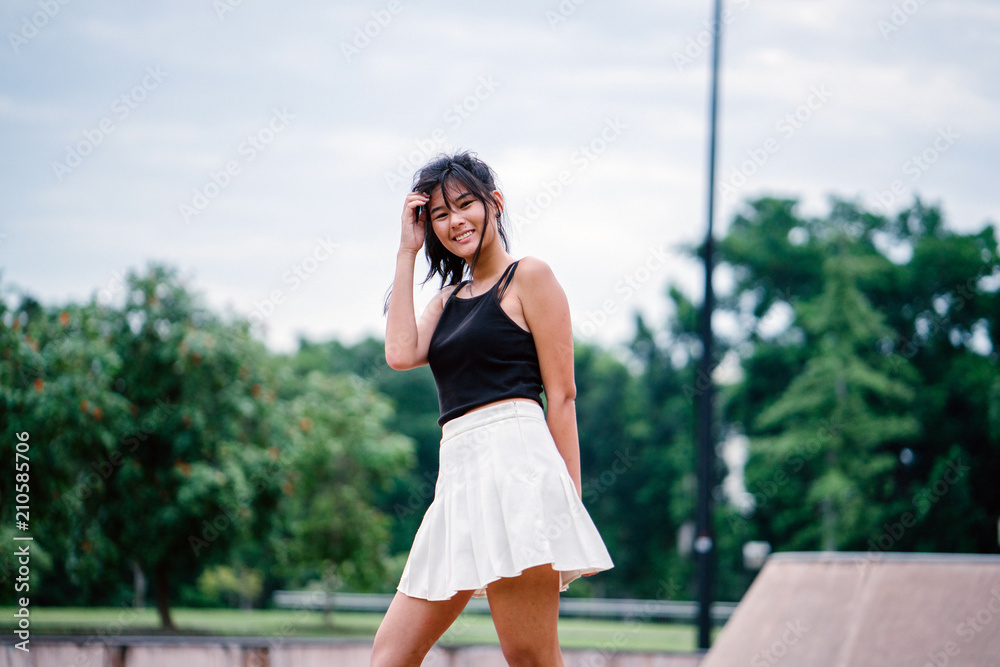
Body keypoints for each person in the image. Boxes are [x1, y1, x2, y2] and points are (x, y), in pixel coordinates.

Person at [372, 151, 613, 666]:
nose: (455, 221)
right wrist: (406, 250)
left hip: (519, 472)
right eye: (440, 214)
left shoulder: (529, 276)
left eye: (465, 205)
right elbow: (399, 353)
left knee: (529, 657)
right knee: (390, 655)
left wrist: (565, 504)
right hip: (457, 480)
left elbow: (562, 396)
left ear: (494, 203)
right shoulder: (446, 300)